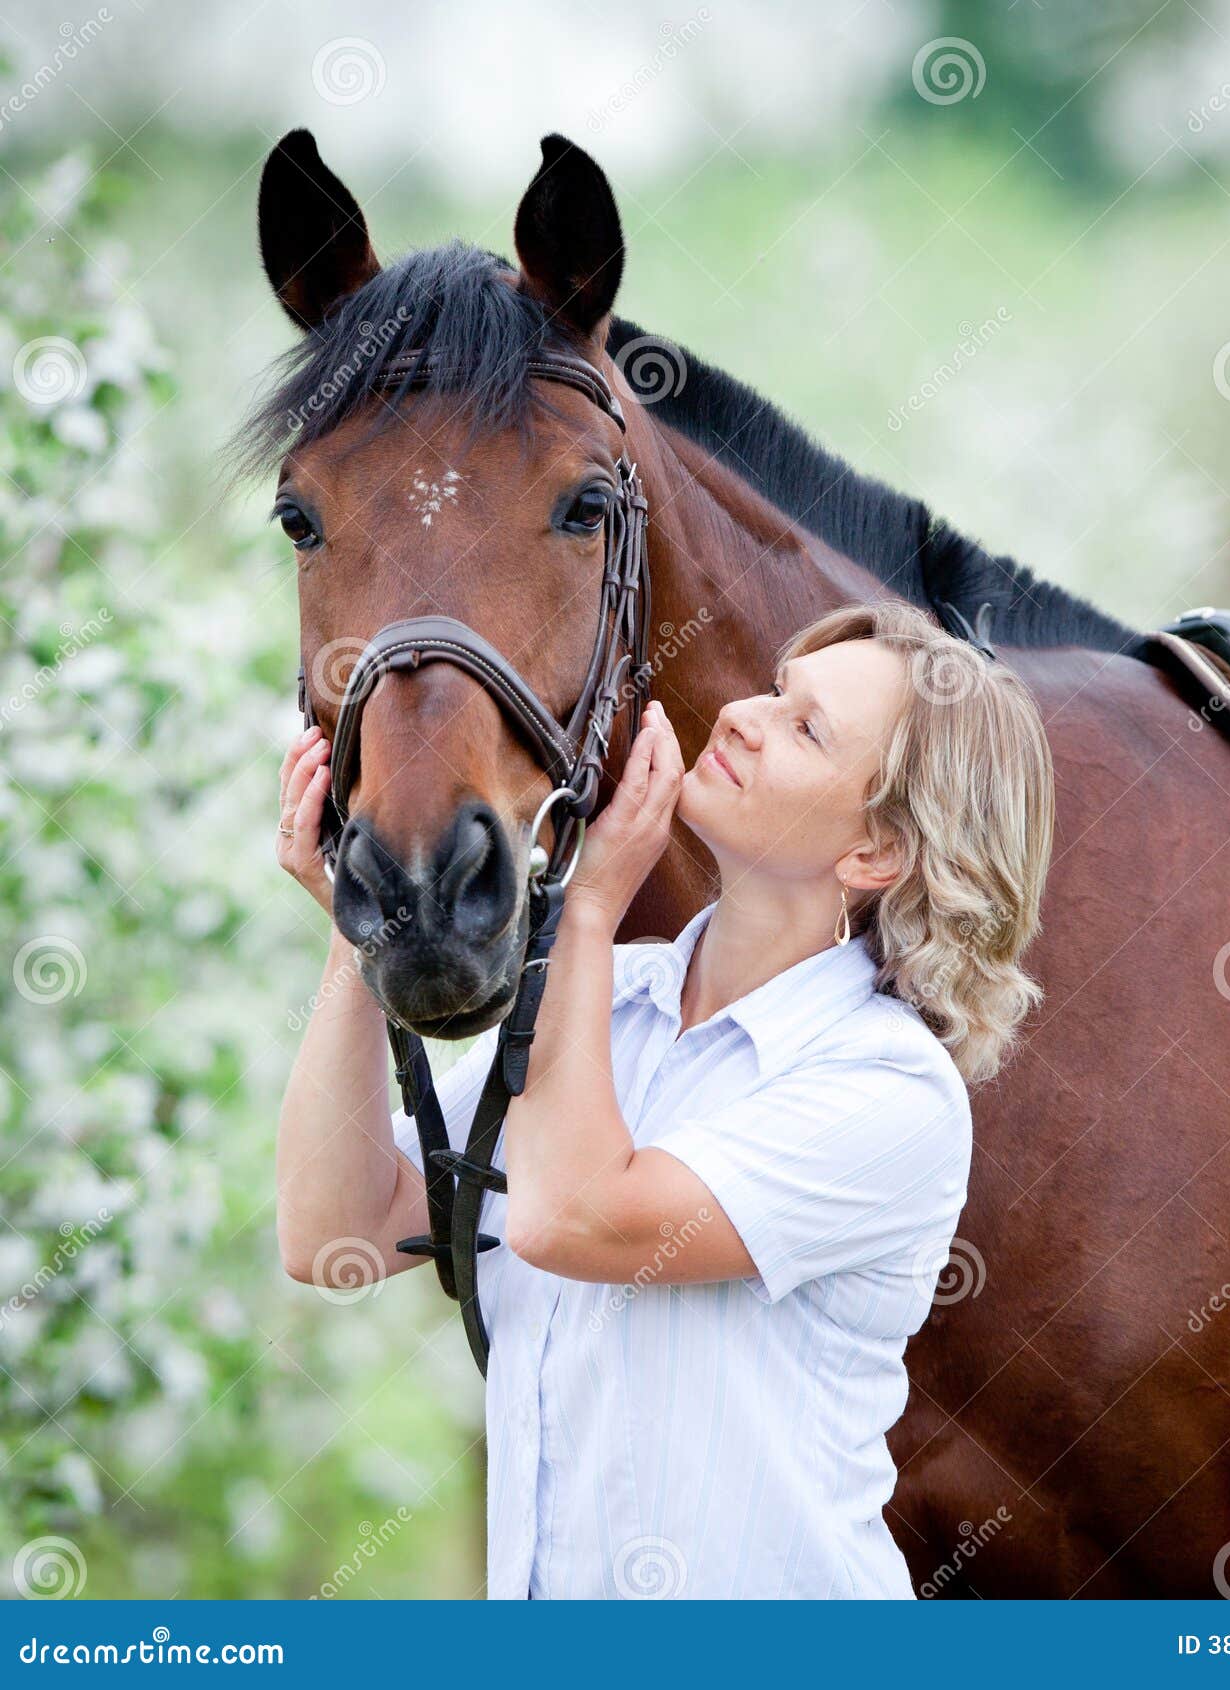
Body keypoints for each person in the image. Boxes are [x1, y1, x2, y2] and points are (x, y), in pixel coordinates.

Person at [275, 599, 1055, 1599]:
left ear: (875, 854)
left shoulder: (889, 1091)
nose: (740, 714)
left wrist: (592, 905)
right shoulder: (615, 1001)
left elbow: (574, 1216)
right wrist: (362, 921)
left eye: (803, 727)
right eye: (775, 690)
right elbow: (333, 1229)